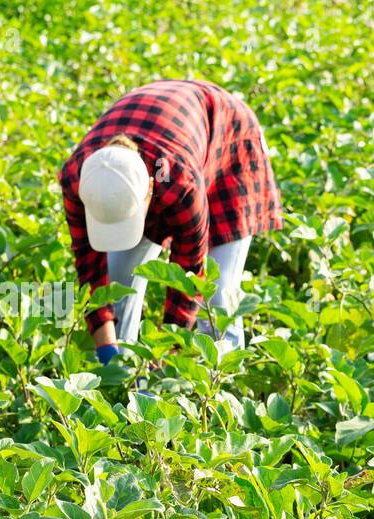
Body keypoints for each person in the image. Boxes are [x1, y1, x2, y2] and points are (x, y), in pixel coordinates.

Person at [59, 80, 283, 365]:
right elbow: (89, 268)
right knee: (117, 281)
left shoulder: (180, 183)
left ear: (149, 191)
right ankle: (124, 379)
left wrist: (166, 354)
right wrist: (106, 351)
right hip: (166, 127)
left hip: (228, 137)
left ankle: (221, 385)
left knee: (217, 293)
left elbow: (189, 273)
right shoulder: (80, 179)